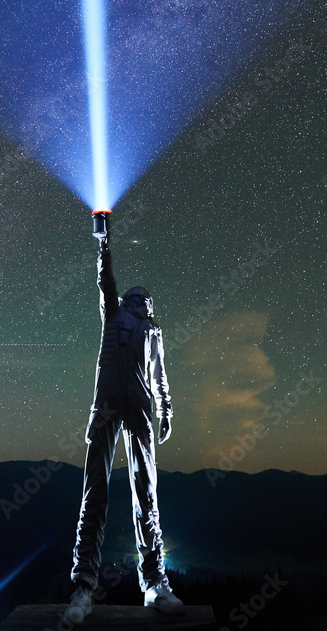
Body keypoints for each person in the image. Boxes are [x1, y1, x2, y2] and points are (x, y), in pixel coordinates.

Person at [63, 226, 184, 624]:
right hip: (108, 408)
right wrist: (104, 242)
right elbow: (105, 280)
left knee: (145, 495)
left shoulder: (153, 332)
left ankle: (154, 583)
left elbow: (160, 374)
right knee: (95, 494)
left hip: (137, 409)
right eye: (140, 299)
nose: (143, 304)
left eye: (145, 301)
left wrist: (165, 409)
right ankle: (83, 587)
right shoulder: (113, 313)